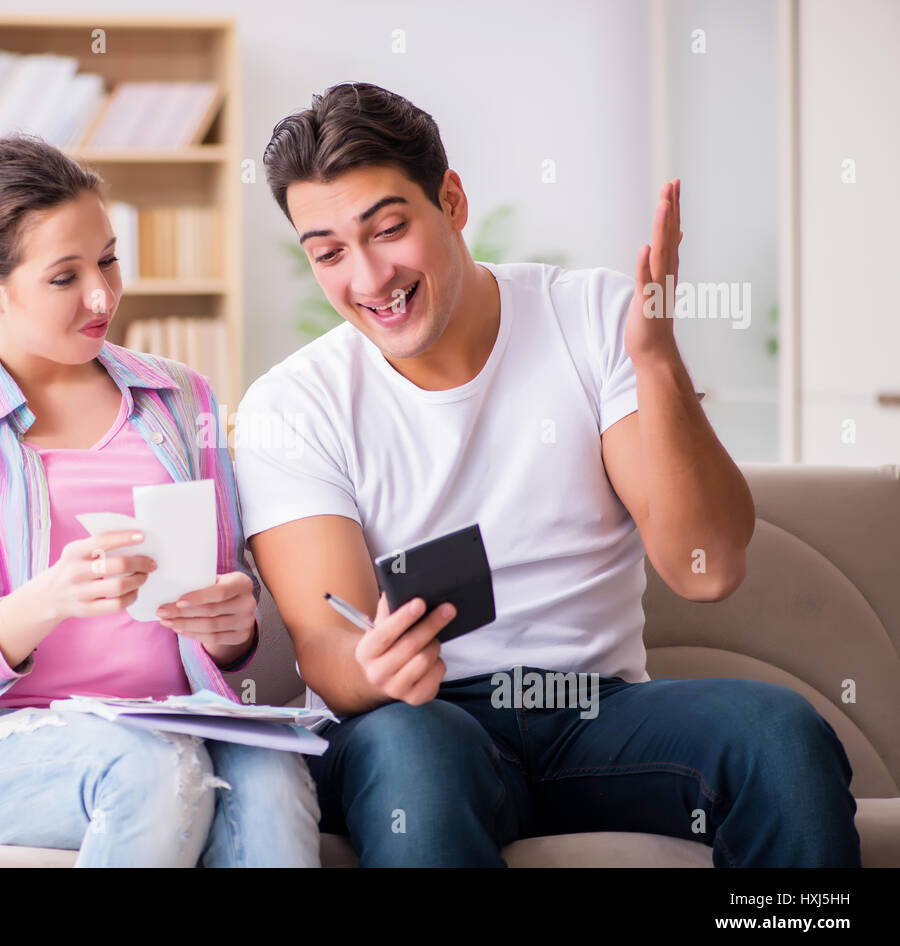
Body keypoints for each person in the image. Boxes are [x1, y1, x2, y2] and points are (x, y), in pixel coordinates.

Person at [231, 82, 860, 866]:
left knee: (780, 733)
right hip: (418, 717)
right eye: (328, 253)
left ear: (452, 201)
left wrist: (655, 360)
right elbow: (325, 638)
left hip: (597, 710)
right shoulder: (292, 403)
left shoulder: (593, 318)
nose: (368, 277)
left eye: (389, 229)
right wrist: (373, 666)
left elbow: (707, 566)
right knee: (417, 759)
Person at [0, 133, 320, 867]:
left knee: (276, 779)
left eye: (108, 259)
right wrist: (49, 598)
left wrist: (231, 624)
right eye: (65, 277)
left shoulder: (181, 394)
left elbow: (226, 588)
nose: (103, 295)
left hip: (178, 718)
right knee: (150, 771)